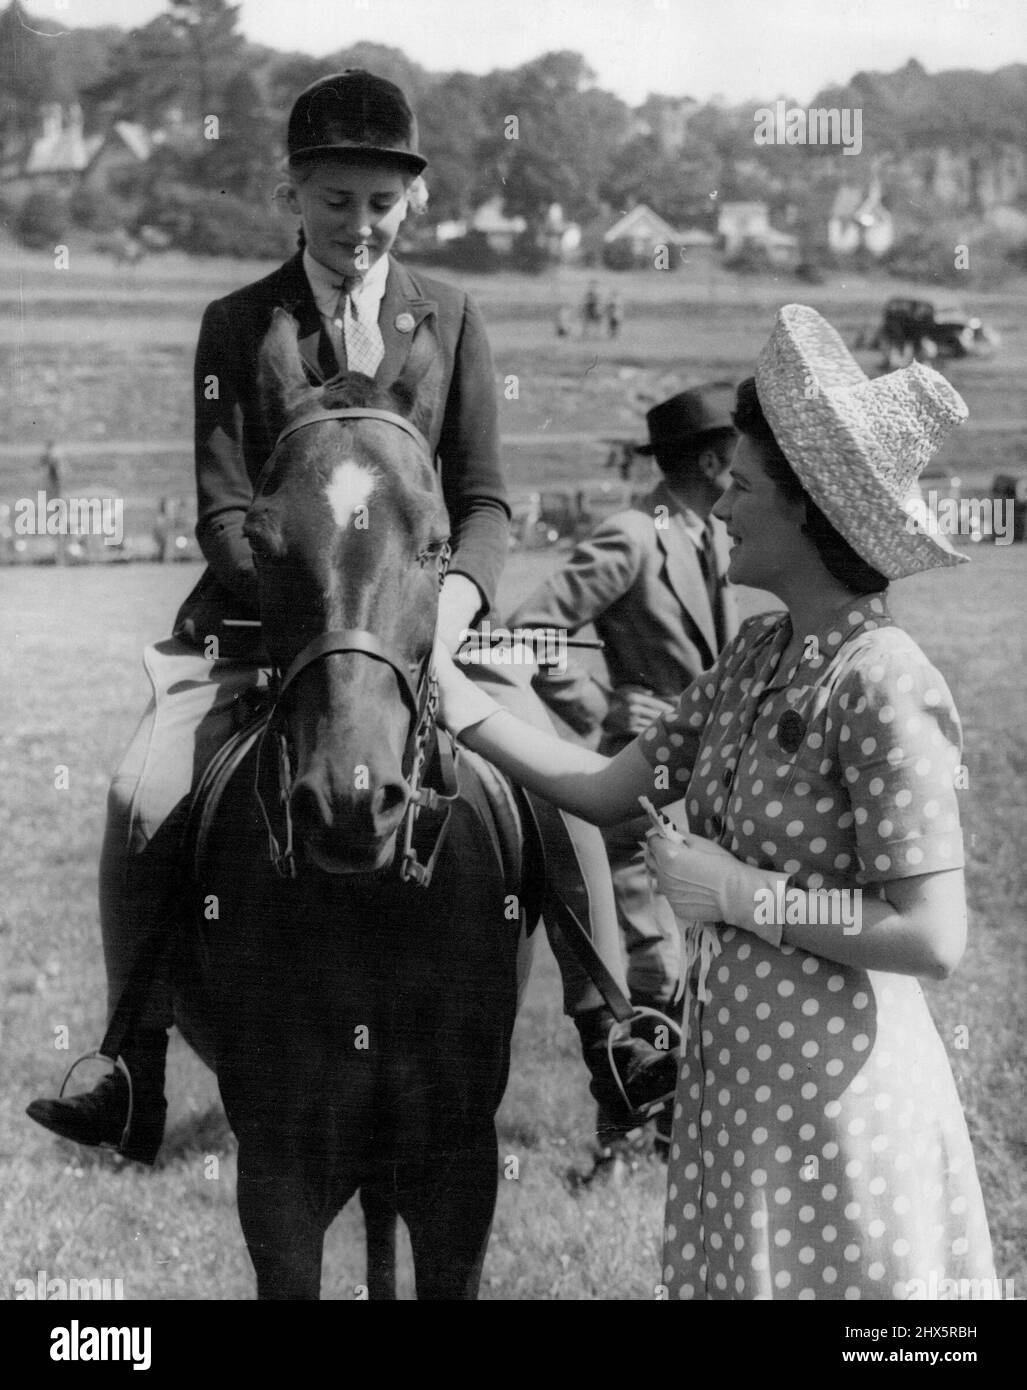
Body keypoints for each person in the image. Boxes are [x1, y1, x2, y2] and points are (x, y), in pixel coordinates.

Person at [27, 70, 673, 1166]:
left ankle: (610, 1025)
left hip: (427, 630)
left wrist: (454, 605)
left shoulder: (454, 317)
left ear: (411, 200)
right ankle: (129, 1065)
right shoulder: (236, 324)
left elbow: (483, 501)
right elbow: (225, 508)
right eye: (335, 201)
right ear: (295, 194)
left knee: (550, 780)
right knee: (141, 786)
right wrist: (306, 613)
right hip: (263, 626)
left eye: (380, 202)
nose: (359, 226)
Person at [433, 304, 995, 1300]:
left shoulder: (881, 679)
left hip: (837, 1102)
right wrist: (459, 700)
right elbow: (608, 790)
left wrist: (742, 894)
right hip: (740, 1089)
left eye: (739, 486)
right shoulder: (753, 658)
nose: (720, 505)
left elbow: (930, 935)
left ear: (809, 508)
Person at [507, 385, 740, 1155]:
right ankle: (621, 1139)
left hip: (706, 795)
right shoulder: (632, 537)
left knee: (687, 963)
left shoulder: (716, 537)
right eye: (737, 452)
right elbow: (525, 634)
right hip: (636, 792)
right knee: (647, 963)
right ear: (710, 459)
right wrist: (607, 708)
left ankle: (670, 1133)